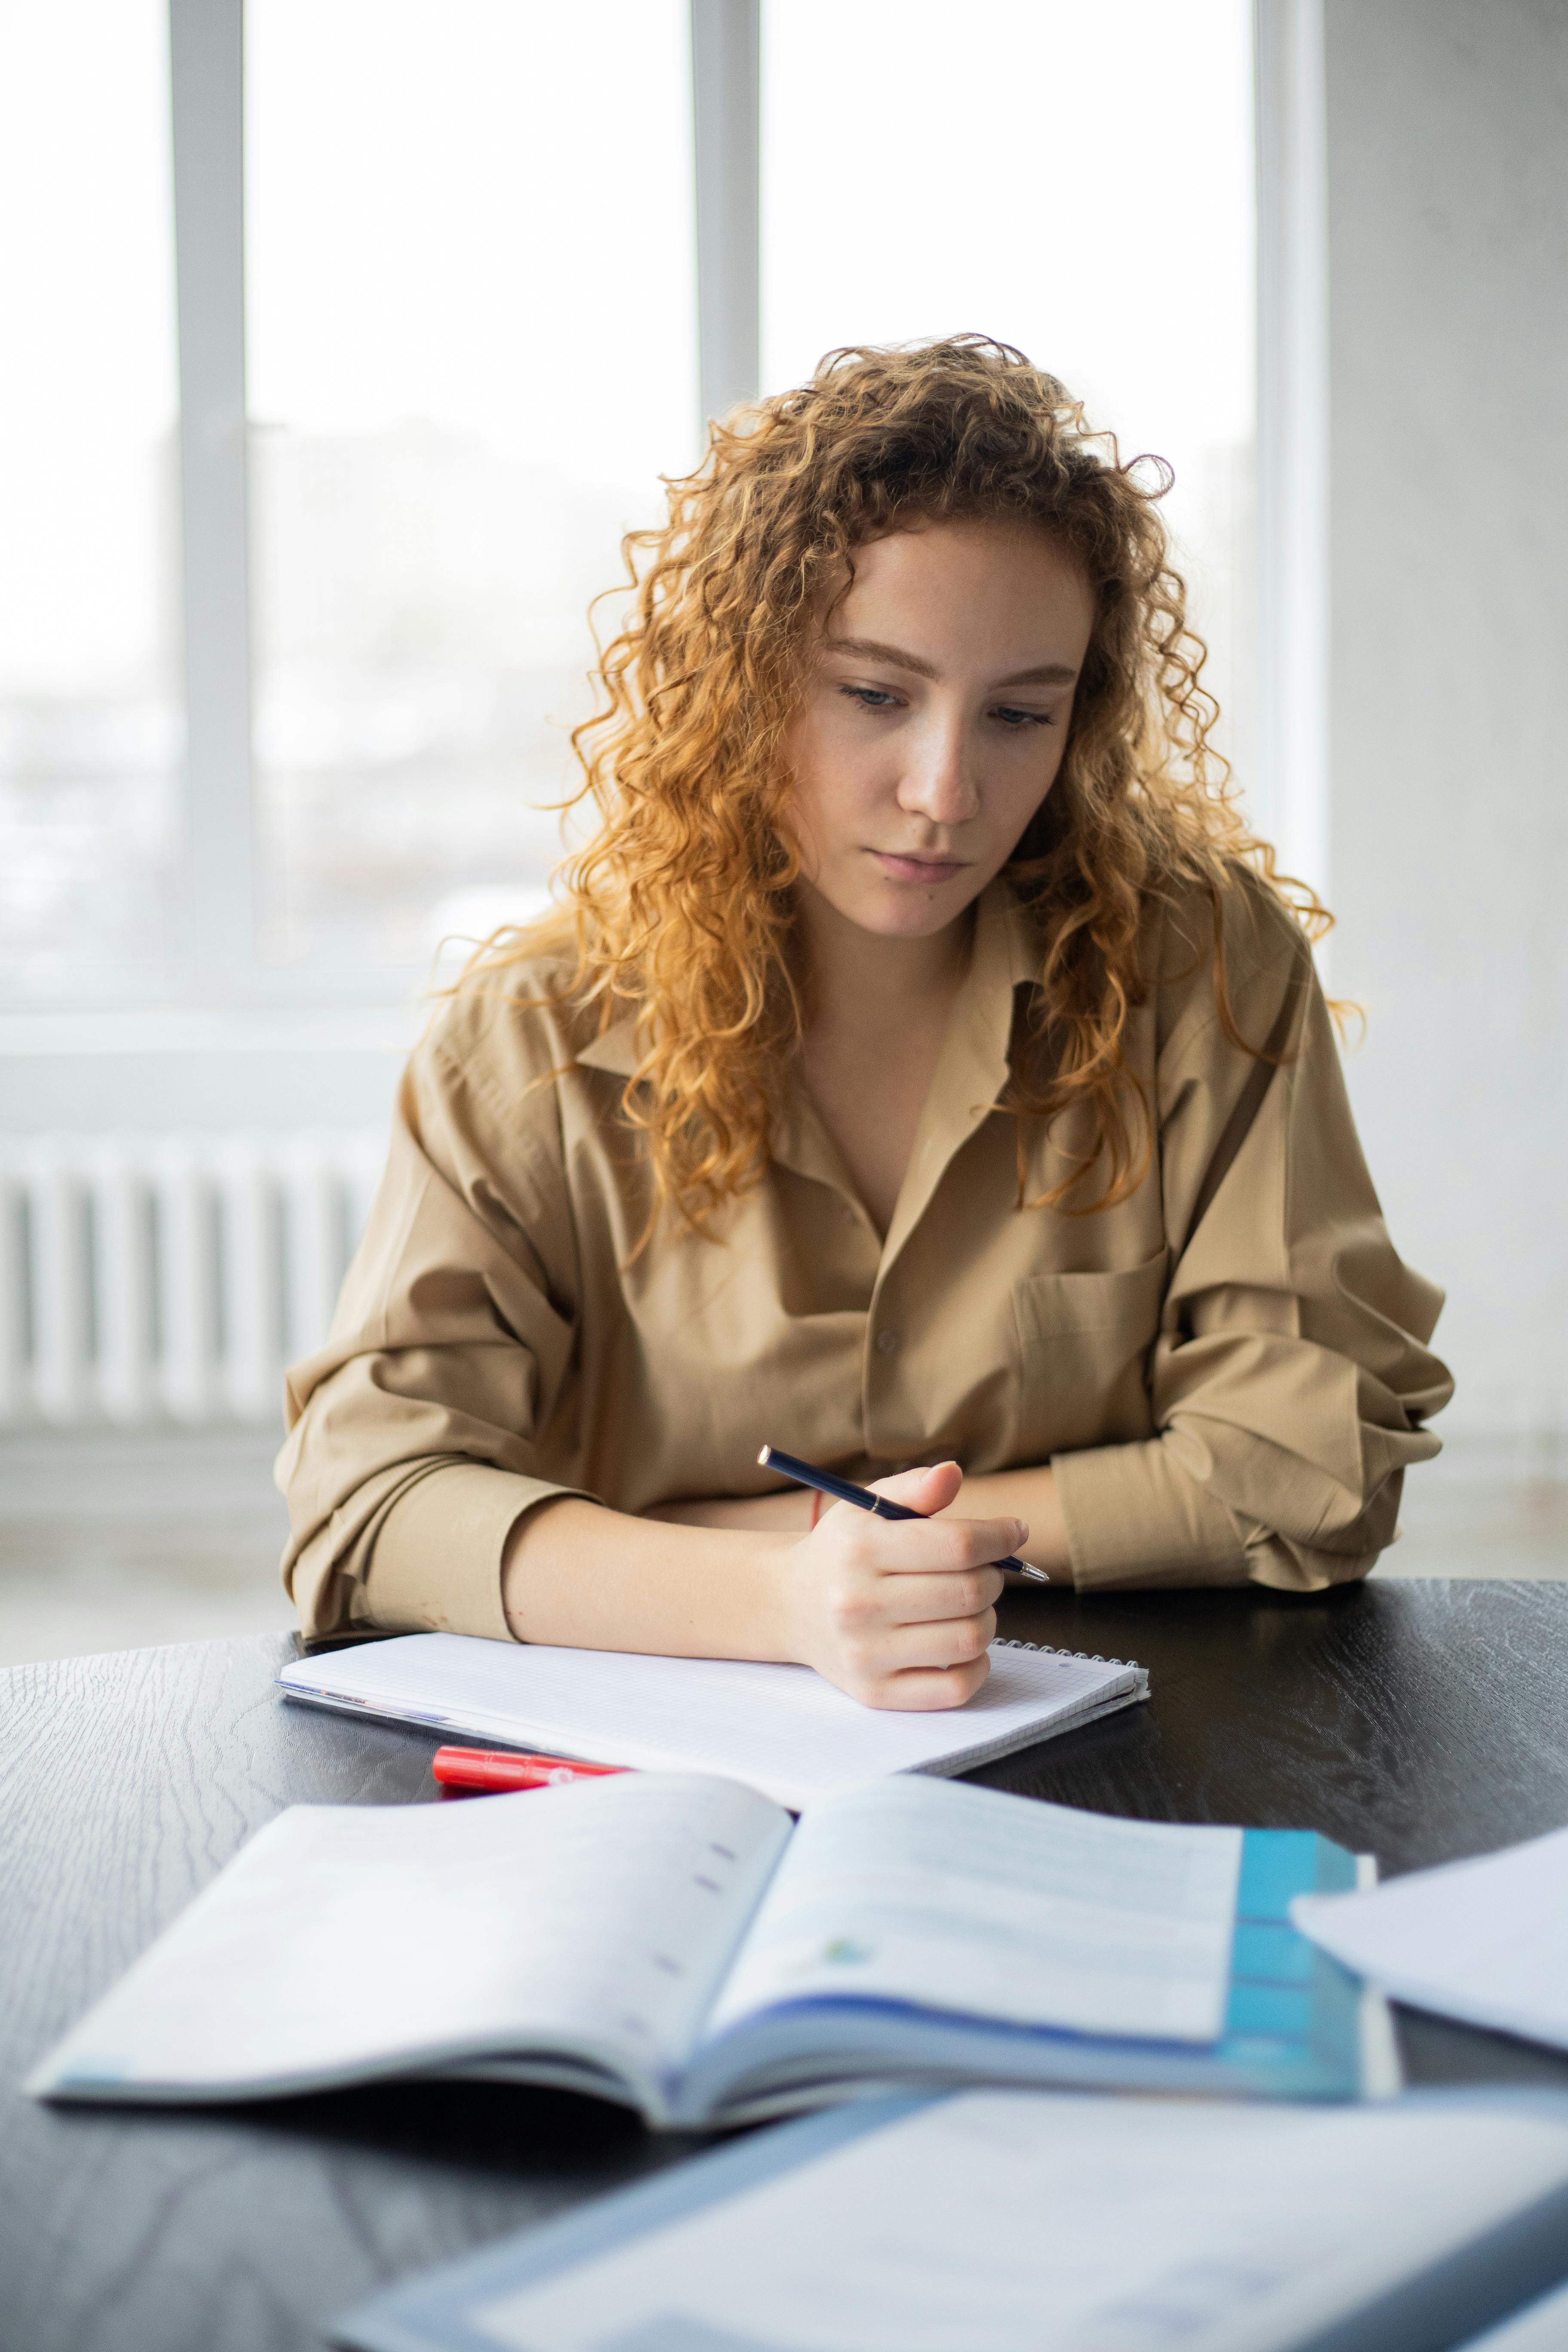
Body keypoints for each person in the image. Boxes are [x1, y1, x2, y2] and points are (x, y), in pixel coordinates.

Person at [278, 337, 1451, 1709]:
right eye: (876, 696)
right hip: (661, 1749)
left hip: (1124, 1737)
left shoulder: (1204, 968)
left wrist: (792, 1542)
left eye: (1019, 714)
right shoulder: (529, 1037)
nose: (946, 792)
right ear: (744, 681)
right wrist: (779, 1598)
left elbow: (1314, 1465)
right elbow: (365, 1506)